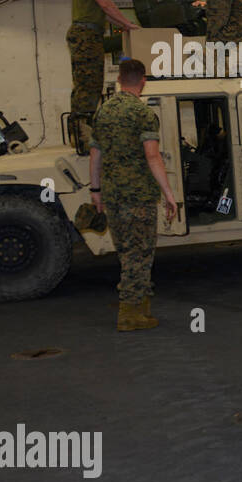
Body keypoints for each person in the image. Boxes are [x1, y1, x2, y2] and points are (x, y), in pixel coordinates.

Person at [88, 58, 179, 331]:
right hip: (138, 196)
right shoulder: (143, 114)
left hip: (113, 195)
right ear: (142, 80)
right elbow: (152, 156)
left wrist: (95, 190)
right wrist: (169, 194)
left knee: (126, 252)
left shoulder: (102, 113)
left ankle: (140, 307)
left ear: (118, 80)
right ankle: (130, 314)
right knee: (139, 254)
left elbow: (96, 154)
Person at [68, 0, 138, 152]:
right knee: (89, 85)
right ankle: (82, 136)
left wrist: (125, 26)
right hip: (85, 34)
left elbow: (105, 12)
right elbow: (105, 4)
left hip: (89, 33)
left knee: (88, 83)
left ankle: (81, 134)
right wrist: (128, 23)